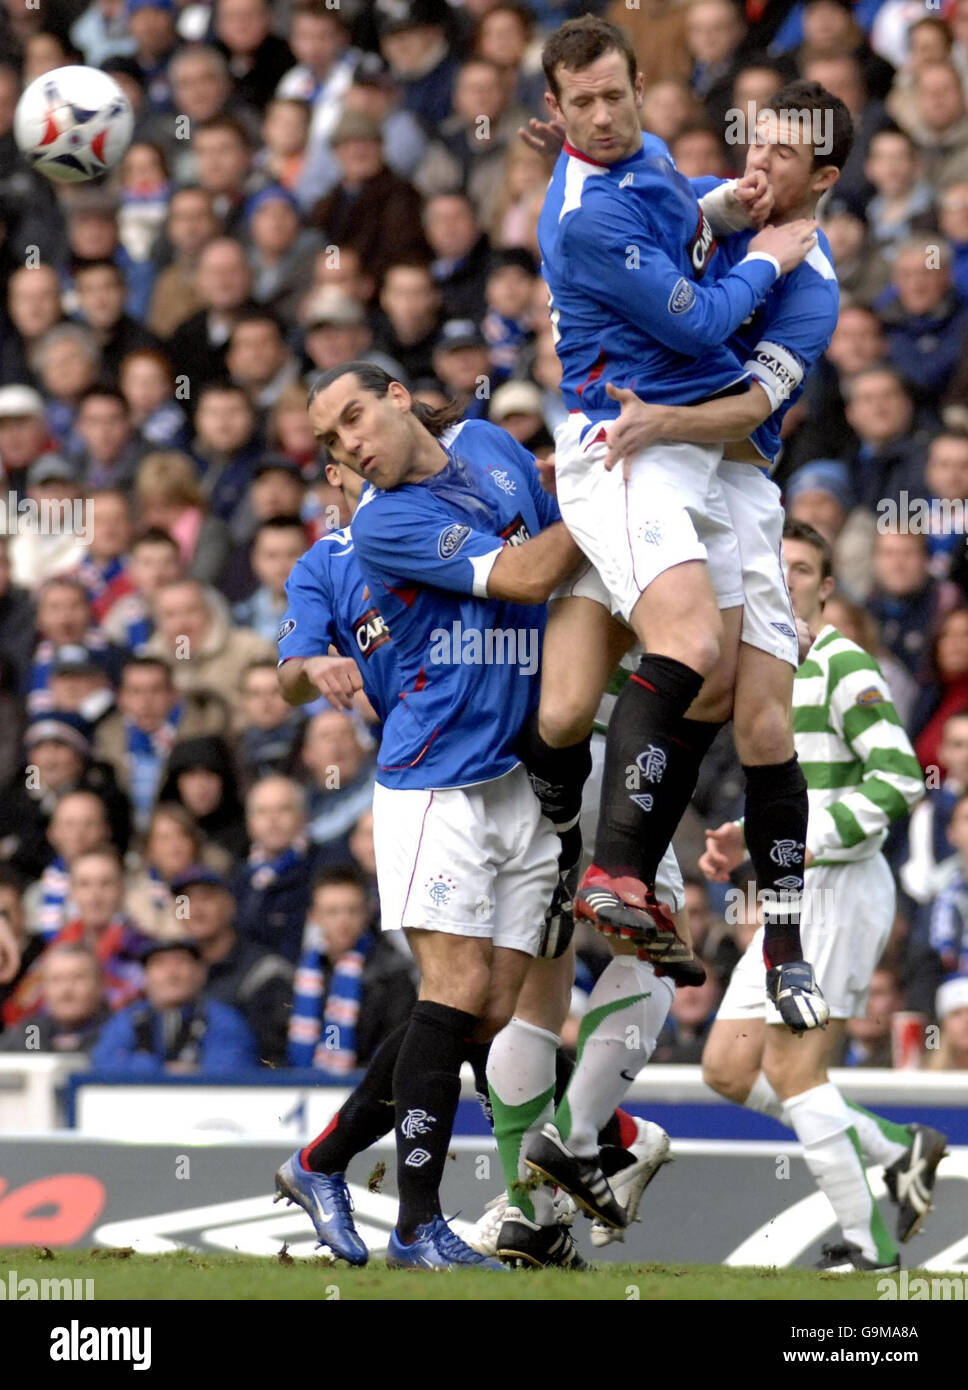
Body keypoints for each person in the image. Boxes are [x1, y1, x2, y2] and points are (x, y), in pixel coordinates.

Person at [294, 360, 583, 1269]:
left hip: (517, 776)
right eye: (331, 440)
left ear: (397, 398)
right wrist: (622, 496)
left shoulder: (493, 449)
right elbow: (537, 574)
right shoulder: (380, 527)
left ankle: (324, 1160)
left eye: (353, 419)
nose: (348, 445)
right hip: (433, 780)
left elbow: (557, 564)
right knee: (454, 990)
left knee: (483, 1009)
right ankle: (418, 1223)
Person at [700, 521, 939, 1273]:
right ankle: (899, 1150)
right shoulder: (765, 669)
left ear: (826, 586)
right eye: (777, 567)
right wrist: (744, 835)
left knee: (796, 1072)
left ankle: (869, 1246)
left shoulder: (843, 664)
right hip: (787, 892)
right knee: (728, 1069)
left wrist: (812, 839)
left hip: (839, 888)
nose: (789, 578)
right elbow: (794, 794)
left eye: (803, 568)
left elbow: (900, 779)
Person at [288, 865, 416, 1070]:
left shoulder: (394, 975)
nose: (343, 921)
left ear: (366, 913)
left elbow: (393, 1051)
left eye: (352, 911)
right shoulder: (300, 973)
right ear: (314, 916)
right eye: (332, 912)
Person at [174, 864, 293, 1066]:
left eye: (207, 898)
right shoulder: (171, 970)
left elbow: (273, 1058)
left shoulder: (266, 971)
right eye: (185, 901)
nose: (195, 910)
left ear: (231, 904)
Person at [91, 938, 260, 1074]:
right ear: (144, 976)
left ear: (200, 972)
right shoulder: (128, 1018)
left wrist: (142, 1068)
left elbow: (230, 1073)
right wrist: (164, 1072)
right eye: (159, 964)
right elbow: (104, 1066)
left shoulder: (223, 1019)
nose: (171, 974)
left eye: (181, 962)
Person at [0, 944, 109, 1055]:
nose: (66, 990)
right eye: (56, 980)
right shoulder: (31, 1033)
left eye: (78, 978)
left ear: (100, 983)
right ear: (43, 987)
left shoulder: (119, 1032)